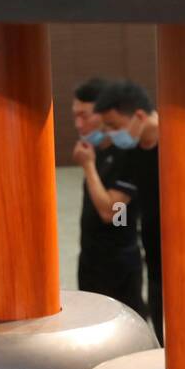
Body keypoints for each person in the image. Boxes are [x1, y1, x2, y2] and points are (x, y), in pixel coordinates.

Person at [93, 80, 163, 344]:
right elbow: (113, 208)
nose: (110, 134)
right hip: (156, 260)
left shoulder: (181, 142)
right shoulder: (130, 153)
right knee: (163, 339)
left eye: (113, 126)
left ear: (139, 116)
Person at [71, 78, 146, 320]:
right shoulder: (98, 151)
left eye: (84, 116)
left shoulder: (127, 153)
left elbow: (111, 211)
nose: (78, 124)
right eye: (75, 116)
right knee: (93, 323)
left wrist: (88, 167)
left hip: (119, 262)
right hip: (91, 257)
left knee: (130, 326)